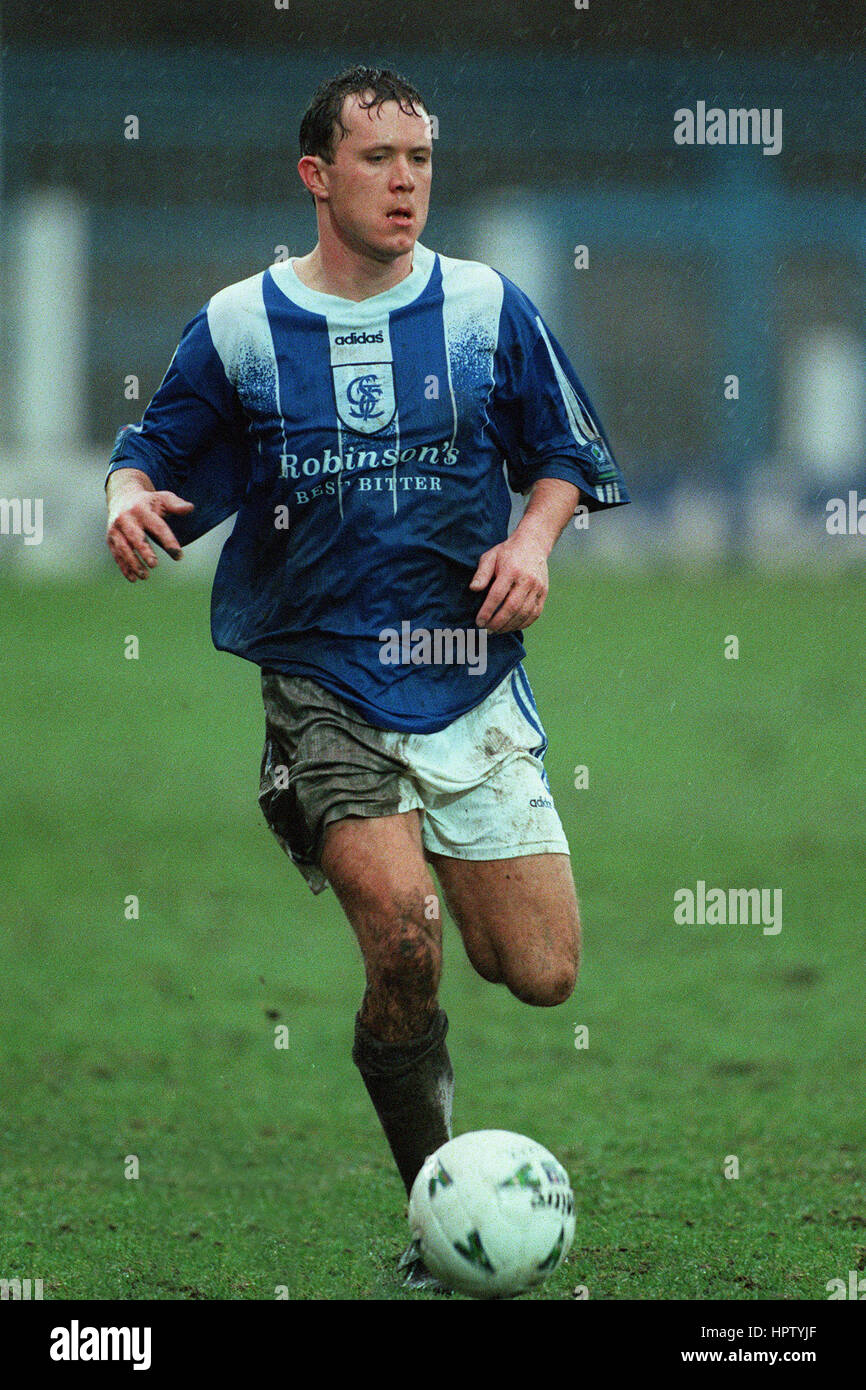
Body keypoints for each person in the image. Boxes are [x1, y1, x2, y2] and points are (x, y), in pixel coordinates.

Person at [105, 64, 629, 1291]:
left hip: (466, 680)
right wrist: (129, 501)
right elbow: (147, 450)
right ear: (316, 176)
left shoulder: (485, 306)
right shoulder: (241, 322)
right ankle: (435, 1219)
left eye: (421, 161)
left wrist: (531, 541)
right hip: (319, 682)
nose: (405, 184)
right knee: (402, 938)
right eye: (378, 161)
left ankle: (446, 854)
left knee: (541, 972)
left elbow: (563, 452)